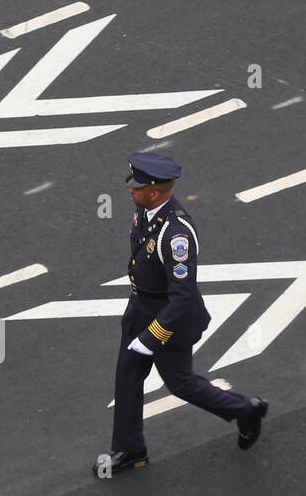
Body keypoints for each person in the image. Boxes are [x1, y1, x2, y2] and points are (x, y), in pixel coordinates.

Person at [96, 153, 268, 477]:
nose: (131, 192)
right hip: (141, 309)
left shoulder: (176, 234)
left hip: (168, 319)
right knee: (127, 378)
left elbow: (183, 295)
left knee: (181, 383)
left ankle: (246, 410)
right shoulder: (146, 210)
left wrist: (151, 337)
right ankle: (131, 449)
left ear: (156, 192)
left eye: (138, 188)